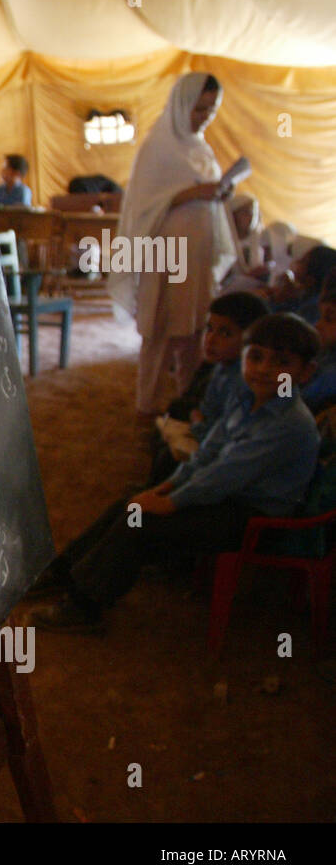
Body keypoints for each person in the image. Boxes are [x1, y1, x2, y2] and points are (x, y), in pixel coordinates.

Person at [29, 313, 322, 633]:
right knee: (132, 500)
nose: (265, 369)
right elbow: (209, 452)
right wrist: (167, 486)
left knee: (140, 519)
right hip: (228, 496)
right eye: (256, 357)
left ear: (305, 372)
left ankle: (84, 606)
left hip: (257, 518)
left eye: (281, 362)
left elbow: (226, 474)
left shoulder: (290, 424)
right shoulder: (245, 397)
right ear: (243, 358)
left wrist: (171, 502)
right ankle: (63, 572)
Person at [109, 73, 239, 417]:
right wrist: (195, 193)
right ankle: (147, 404)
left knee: (195, 330)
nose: (205, 117)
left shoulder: (201, 148)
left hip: (196, 255)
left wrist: (221, 191)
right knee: (161, 329)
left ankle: (186, 401)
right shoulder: (158, 147)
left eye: (211, 110)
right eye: (199, 109)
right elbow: (143, 206)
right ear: (182, 105)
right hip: (166, 255)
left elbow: (206, 191)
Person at [152, 291, 267, 481]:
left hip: (222, 449)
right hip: (208, 430)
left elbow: (223, 435)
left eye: (226, 333)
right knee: (167, 429)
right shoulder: (221, 367)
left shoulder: (244, 381)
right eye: (209, 329)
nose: (211, 339)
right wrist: (198, 417)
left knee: (169, 459)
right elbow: (208, 407)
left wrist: (198, 423)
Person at [267, 242, 334, 323]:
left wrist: (279, 298)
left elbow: (272, 323)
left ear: (310, 280)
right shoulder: (304, 296)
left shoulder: (310, 310)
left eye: (303, 261)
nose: (297, 262)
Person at [216, 194, 269, 295]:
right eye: (245, 213)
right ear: (233, 215)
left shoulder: (258, 244)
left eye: (253, 213)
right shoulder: (221, 242)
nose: (250, 217)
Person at [301, 287, 336, 413]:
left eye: (329, 319)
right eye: (320, 317)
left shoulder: (331, 375)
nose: (317, 325)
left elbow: (285, 402)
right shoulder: (326, 353)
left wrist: (284, 375)